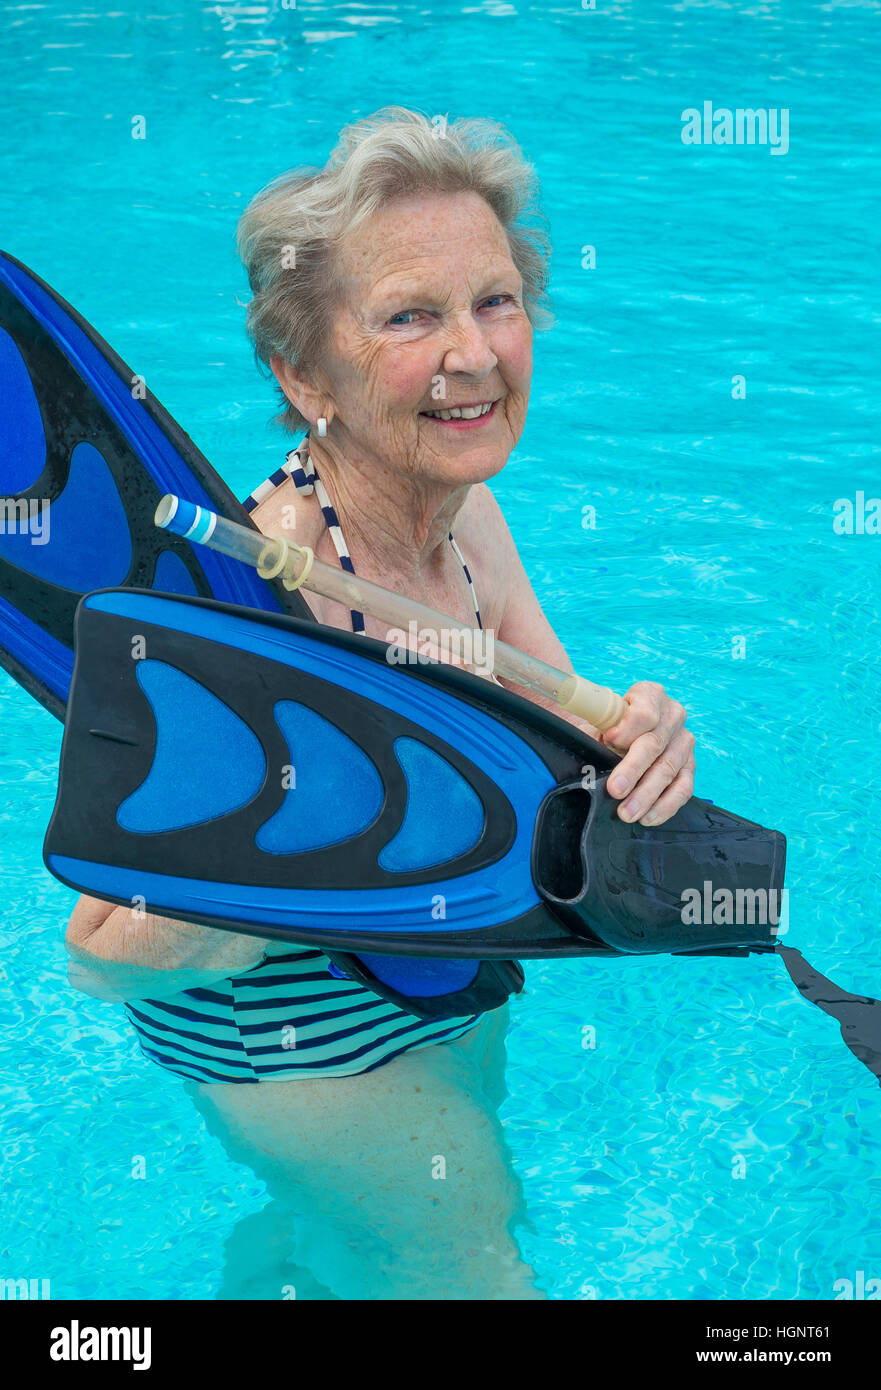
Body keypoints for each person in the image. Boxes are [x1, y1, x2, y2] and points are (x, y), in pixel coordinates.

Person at [66, 107, 695, 1298]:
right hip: (289, 1032)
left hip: (442, 960)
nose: (475, 352)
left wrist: (641, 739)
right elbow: (102, 959)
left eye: (494, 302)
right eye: (411, 315)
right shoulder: (251, 602)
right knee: (472, 1256)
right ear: (305, 373)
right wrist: (272, 872)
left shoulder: (466, 516)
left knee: (355, 1251)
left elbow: (565, 738)